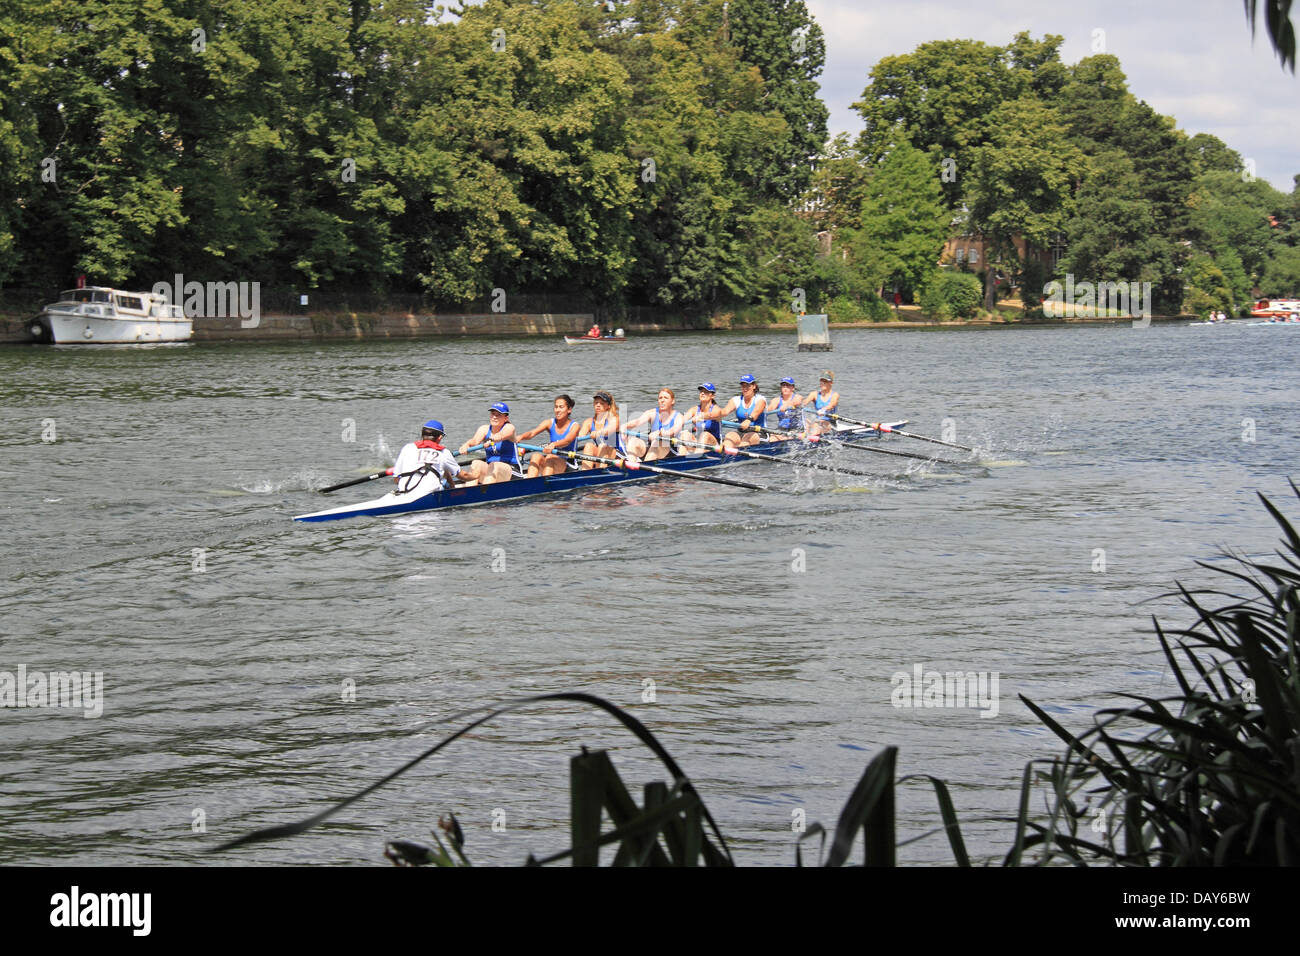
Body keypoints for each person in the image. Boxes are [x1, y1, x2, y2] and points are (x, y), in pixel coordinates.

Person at [391, 420, 462, 496]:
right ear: (440, 437)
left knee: (443, 470)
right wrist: (475, 476)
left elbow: (396, 479)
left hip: (404, 491)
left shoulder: (407, 448)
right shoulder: (444, 452)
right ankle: (454, 493)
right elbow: (464, 476)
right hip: (427, 494)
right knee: (445, 470)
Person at [458, 401, 519, 485]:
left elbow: (501, 436)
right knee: (476, 463)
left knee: (495, 465)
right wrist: (466, 445)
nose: (494, 417)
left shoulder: (509, 427)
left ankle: (485, 494)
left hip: (512, 470)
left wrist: (491, 440)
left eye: (498, 415)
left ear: (506, 418)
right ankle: (469, 494)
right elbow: (474, 441)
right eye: (493, 414)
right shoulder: (484, 429)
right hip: (492, 470)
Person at [518, 395, 580, 476]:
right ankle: (530, 483)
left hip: (569, 464)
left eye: (561, 407)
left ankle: (544, 484)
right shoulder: (549, 423)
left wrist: (553, 444)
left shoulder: (575, 426)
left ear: (569, 410)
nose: (557, 410)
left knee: (550, 457)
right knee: (535, 456)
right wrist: (520, 437)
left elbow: (567, 441)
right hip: (552, 461)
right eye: (556, 407)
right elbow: (532, 433)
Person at [624, 388, 684, 461]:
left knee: (657, 442)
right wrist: (624, 426)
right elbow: (637, 422)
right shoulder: (652, 413)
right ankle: (631, 466)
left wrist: (660, 433)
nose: (662, 400)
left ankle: (644, 468)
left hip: (669, 451)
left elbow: (672, 432)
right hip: (652, 447)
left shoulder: (679, 417)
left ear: (672, 401)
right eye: (660, 398)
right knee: (633, 441)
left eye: (666, 398)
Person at [720, 374, 767, 448]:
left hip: (759, 433)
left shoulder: (760, 399)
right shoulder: (736, 400)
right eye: (743, 386)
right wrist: (709, 415)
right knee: (729, 436)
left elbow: (756, 412)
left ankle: (734, 456)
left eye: (748, 386)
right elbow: (724, 411)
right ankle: (724, 455)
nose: (745, 388)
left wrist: (749, 420)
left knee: (747, 438)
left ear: (754, 386)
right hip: (742, 432)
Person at [577, 390, 621, 468]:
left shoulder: (614, 418)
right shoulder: (589, 422)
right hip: (601, 454)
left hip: (617, 454)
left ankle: (599, 472)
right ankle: (585, 472)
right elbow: (579, 437)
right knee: (588, 445)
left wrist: (599, 432)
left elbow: (611, 428)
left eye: (602, 403)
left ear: (608, 406)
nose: (598, 405)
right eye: (596, 403)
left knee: (602, 446)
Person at [680, 382, 723, 449]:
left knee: (705, 434)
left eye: (705, 392)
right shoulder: (694, 409)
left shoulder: (716, 409)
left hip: (715, 445)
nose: (702, 393)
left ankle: (696, 454)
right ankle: (682, 456)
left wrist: (700, 416)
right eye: (701, 391)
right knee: (684, 434)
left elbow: (713, 414)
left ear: (712, 396)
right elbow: (682, 420)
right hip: (699, 443)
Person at [803, 371, 840, 437]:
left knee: (818, 424)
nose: (822, 383)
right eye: (821, 381)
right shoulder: (814, 394)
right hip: (818, 421)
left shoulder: (835, 395)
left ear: (831, 383)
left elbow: (832, 405)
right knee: (805, 422)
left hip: (830, 423)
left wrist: (824, 409)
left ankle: (810, 438)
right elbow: (804, 402)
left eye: (825, 381)